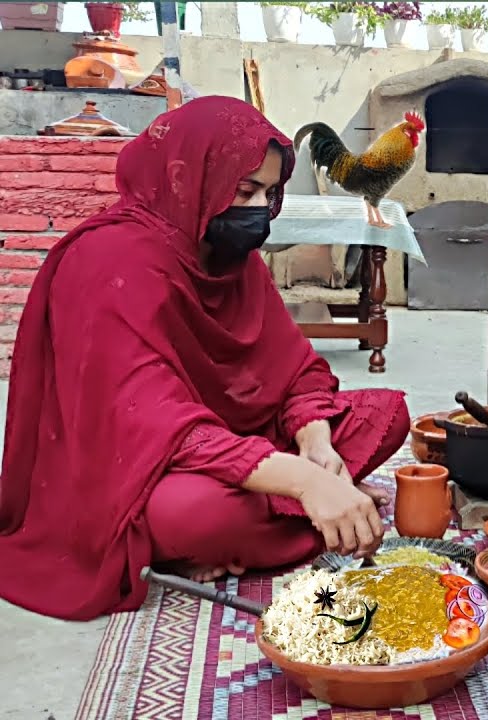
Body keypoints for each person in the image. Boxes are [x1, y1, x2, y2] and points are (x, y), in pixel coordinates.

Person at [0, 97, 410, 621]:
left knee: (388, 412)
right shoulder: (109, 262)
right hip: (142, 463)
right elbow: (152, 423)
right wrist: (305, 482)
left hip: (239, 444)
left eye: (269, 193)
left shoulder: (226, 255)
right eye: (245, 191)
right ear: (187, 177)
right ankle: (259, 525)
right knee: (196, 514)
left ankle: (257, 531)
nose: (261, 209)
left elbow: (296, 369)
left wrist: (314, 441)